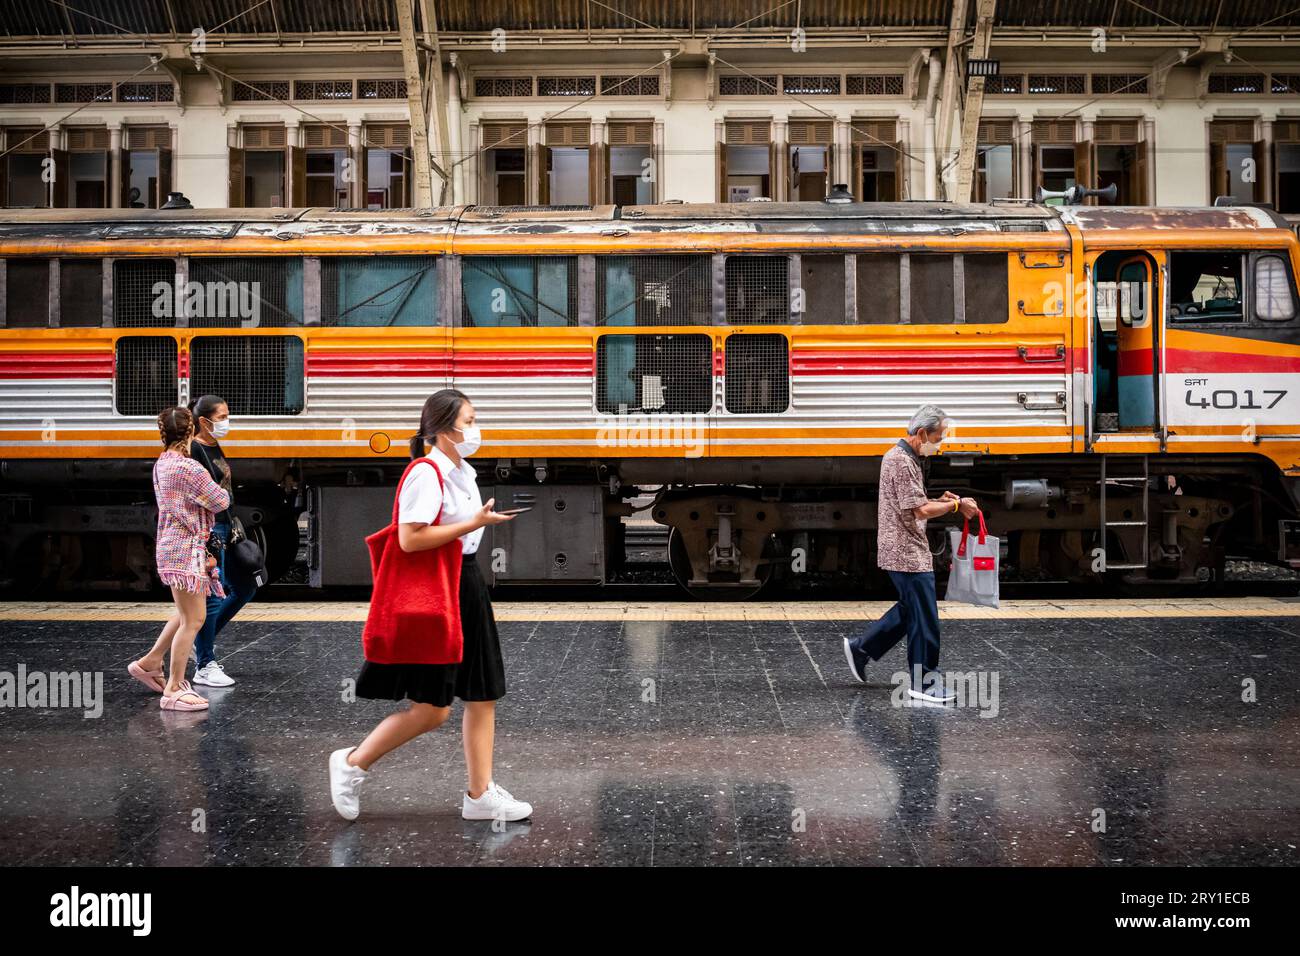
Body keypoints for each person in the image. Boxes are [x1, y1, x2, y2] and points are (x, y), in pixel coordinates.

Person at [329, 388, 533, 823]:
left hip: (467, 581)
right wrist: (474, 522)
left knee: (483, 694)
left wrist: (479, 524)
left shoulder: (464, 471)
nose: (476, 429)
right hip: (439, 589)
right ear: (443, 428)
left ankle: (480, 796)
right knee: (432, 710)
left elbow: (460, 533)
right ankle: (351, 764)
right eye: (470, 421)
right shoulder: (426, 473)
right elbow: (410, 538)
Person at [843, 404, 979, 704]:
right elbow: (920, 510)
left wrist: (940, 500)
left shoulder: (901, 457)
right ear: (921, 433)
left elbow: (913, 502)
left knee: (911, 610)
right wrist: (957, 506)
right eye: (938, 437)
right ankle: (924, 682)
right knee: (925, 616)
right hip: (906, 551)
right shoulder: (902, 461)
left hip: (903, 547)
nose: (940, 444)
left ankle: (861, 649)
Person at [128, 407, 232, 712]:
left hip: (172, 545)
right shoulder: (190, 468)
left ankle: (149, 662)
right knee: (194, 620)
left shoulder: (163, 463)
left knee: (186, 612)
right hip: (187, 549)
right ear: (190, 433)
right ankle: (173, 688)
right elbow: (220, 500)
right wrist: (223, 479)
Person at [187, 394, 255, 688]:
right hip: (212, 530)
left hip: (229, 526)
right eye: (222, 417)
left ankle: (202, 641)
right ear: (204, 421)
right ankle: (204, 663)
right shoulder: (195, 449)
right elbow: (203, 493)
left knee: (245, 588)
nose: (226, 421)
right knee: (212, 598)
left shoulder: (213, 445)